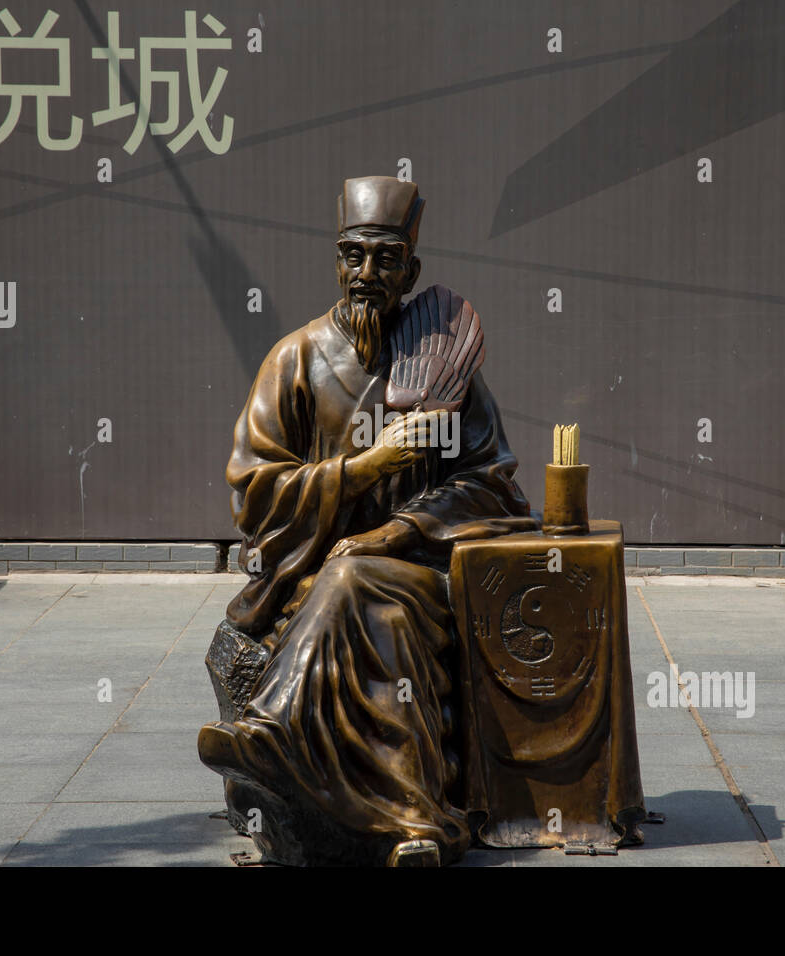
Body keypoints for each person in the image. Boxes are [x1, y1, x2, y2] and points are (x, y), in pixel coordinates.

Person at [198, 176, 537, 866]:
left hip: (417, 567)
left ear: (410, 271)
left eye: (385, 261)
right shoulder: (295, 360)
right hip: (309, 571)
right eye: (353, 256)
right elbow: (255, 491)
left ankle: (276, 731)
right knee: (360, 595)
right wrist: (365, 468)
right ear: (336, 261)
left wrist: (400, 531)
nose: (366, 275)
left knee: (361, 580)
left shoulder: (443, 366)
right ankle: (413, 823)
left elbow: (491, 481)